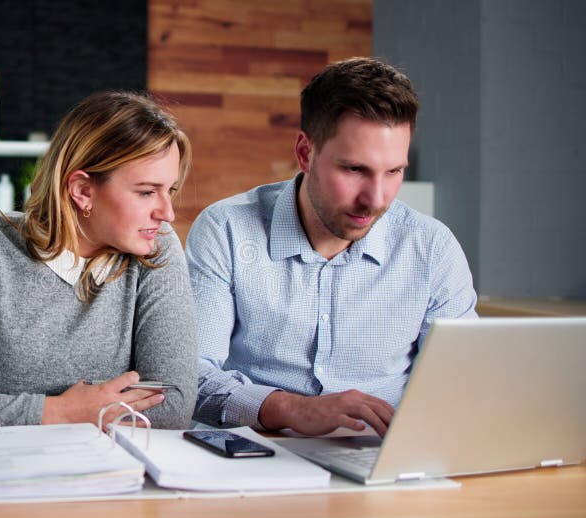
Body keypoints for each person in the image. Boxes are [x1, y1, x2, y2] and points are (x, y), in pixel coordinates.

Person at [186, 57, 477, 438]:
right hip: (257, 456)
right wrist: (289, 408)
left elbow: (462, 381)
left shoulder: (433, 248)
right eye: (355, 170)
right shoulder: (226, 230)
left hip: (382, 462)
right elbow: (188, 376)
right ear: (306, 153)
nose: (375, 199)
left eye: (393, 172)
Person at [0, 91, 197, 434]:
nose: (167, 212)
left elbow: (172, 405)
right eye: (147, 192)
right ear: (83, 191)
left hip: (106, 478)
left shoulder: (157, 248)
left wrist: (74, 412)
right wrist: (61, 412)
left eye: (170, 190)